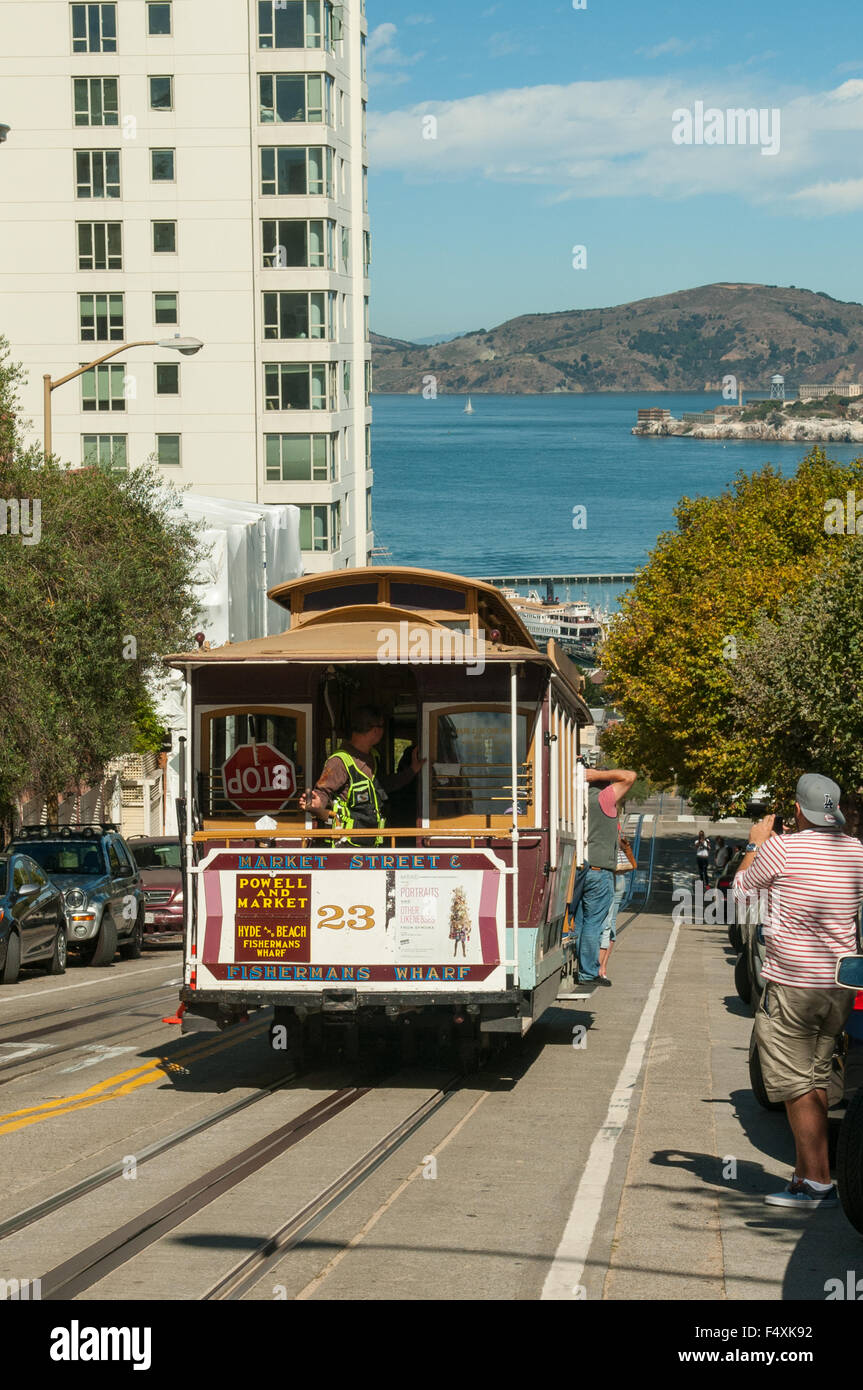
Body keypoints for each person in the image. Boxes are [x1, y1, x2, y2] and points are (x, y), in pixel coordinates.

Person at [734, 773, 863, 1208]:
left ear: (796, 811)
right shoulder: (857, 851)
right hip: (840, 986)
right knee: (816, 1076)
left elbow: (740, 895)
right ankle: (812, 1174)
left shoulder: (782, 849)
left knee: (794, 1083)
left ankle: (816, 1182)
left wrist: (754, 844)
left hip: (793, 984)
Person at [299, 706, 423, 847]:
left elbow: (384, 785)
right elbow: (322, 793)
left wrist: (413, 770)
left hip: (372, 844)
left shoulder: (373, 757)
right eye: (382, 727)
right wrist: (316, 804)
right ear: (376, 730)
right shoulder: (339, 761)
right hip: (347, 847)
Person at [572, 766, 636, 986]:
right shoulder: (604, 798)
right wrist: (598, 775)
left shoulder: (575, 799)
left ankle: (578, 966)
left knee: (580, 921)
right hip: (600, 872)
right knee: (594, 922)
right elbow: (630, 776)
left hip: (580, 870)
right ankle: (588, 972)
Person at [598, 829, 637, 982]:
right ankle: (603, 967)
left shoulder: (605, 830)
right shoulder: (617, 830)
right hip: (619, 879)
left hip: (609, 877)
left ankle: (599, 966)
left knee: (604, 924)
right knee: (611, 923)